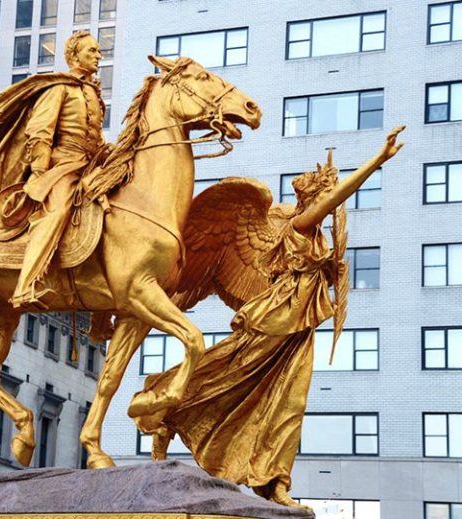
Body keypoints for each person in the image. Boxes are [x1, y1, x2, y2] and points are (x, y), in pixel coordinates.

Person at [129, 127, 405, 509]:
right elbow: (334, 200)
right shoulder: (300, 226)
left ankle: (273, 482)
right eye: (322, 195)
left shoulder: (316, 235)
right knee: (221, 375)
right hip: (274, 322)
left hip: (299, 331)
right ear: (312, 200)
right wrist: (377, 160)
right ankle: (165, 411)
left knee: (288, 405)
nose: (328, 199)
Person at [8, 31, 106, 307]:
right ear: (74, 55)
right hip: (62, 166)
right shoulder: (59, 88)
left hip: (90, 167)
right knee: (57, 211)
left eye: (99, 51)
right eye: (92, 51)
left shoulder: (94, 94)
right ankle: (26, 285)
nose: (99, 56)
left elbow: (94, 137)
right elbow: (40, 131)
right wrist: (41, 173)